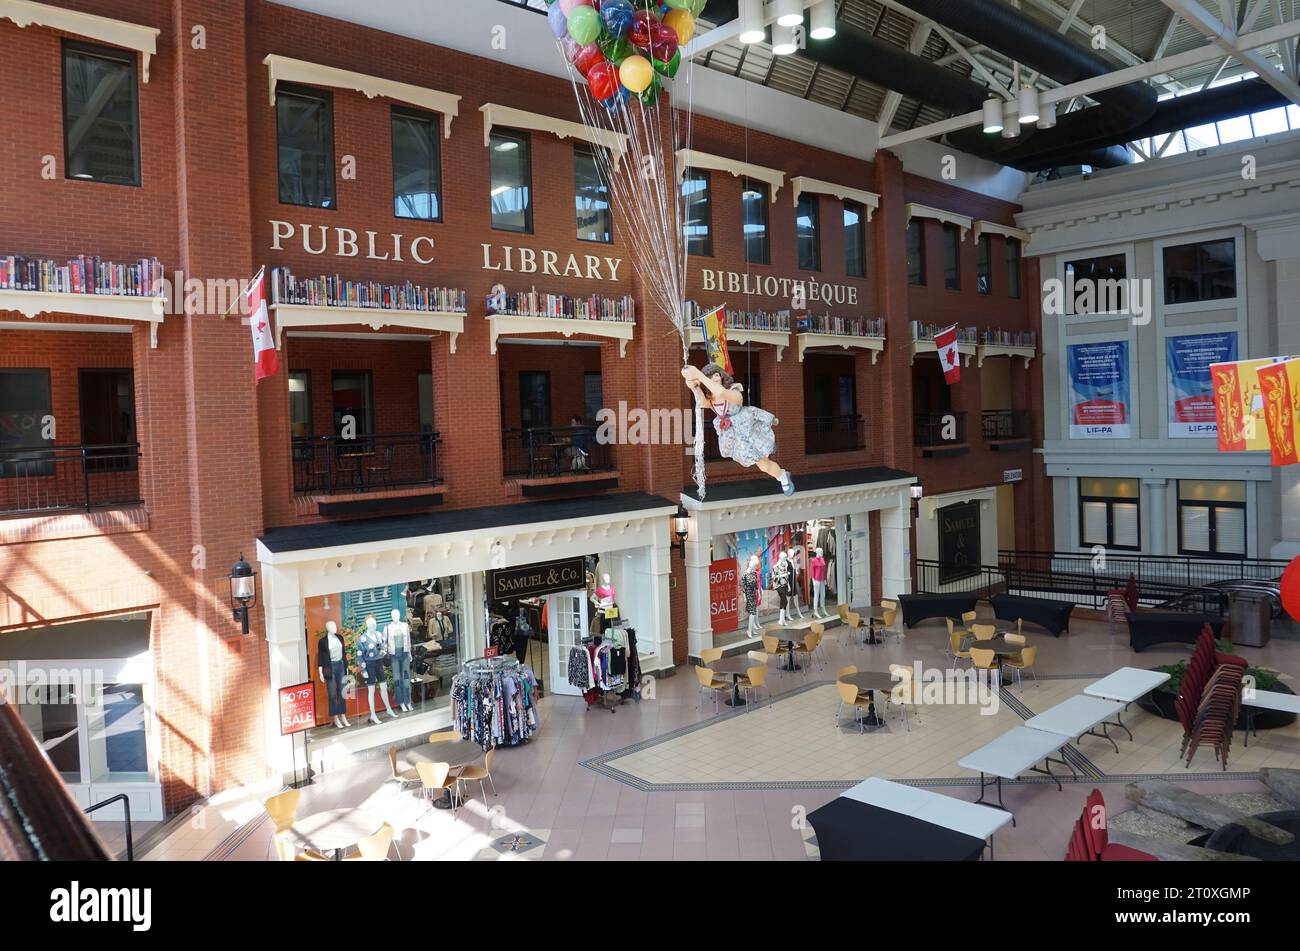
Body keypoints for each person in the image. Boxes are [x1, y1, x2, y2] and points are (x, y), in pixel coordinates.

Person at [682, 363, 794, 495]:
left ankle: (781, 476)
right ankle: (782, 475)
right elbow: (701, 401)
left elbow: (721, 392)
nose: (715, 379)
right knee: (760, 464)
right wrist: (693, 385)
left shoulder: (734, 391)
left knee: (763, 464)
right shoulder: (711, 399)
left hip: (748, 430)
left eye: (716, 375)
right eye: (710, 377)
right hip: (734, 435)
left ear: (722, 377)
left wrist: (699, 375)